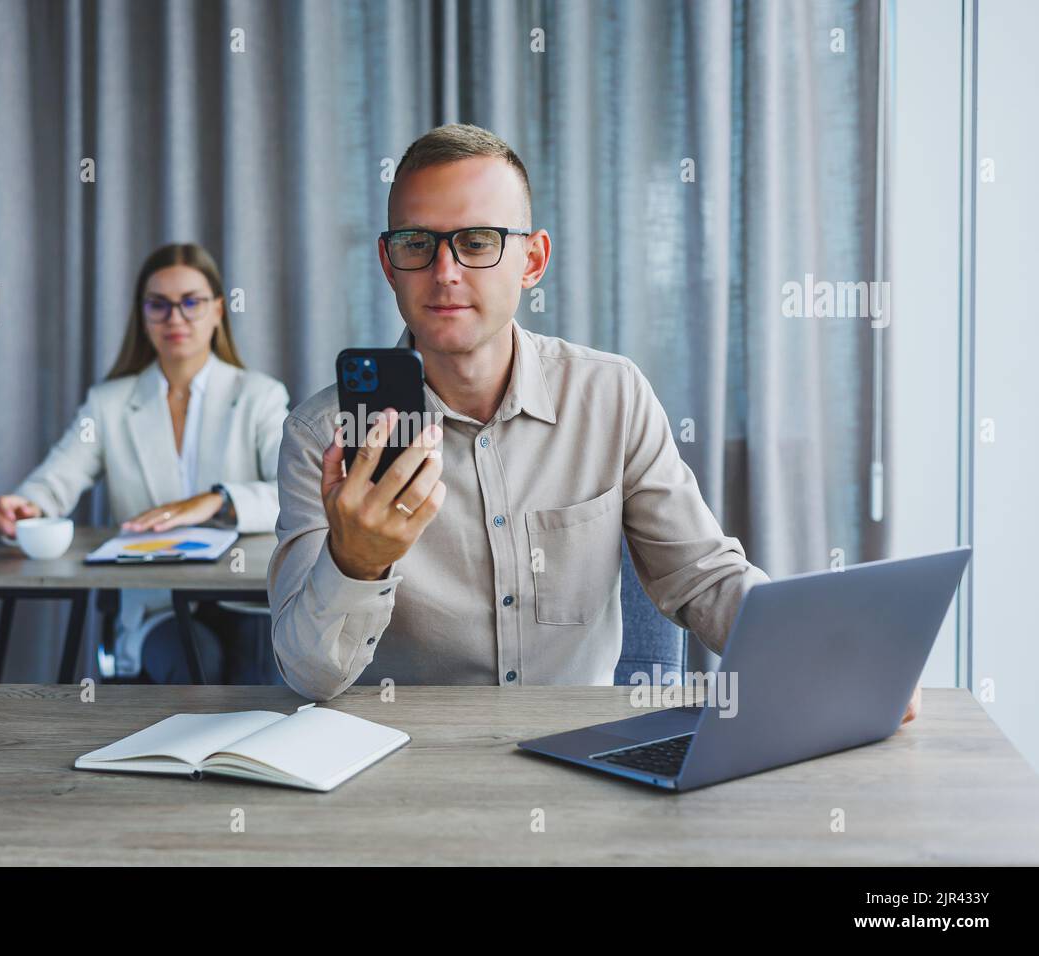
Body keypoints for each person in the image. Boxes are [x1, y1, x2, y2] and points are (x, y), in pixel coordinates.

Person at [267, 124, 923, 725]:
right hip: (403, 771)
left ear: (532, 260)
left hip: (578, 760)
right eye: (417, 243)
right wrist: (355, 563)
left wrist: (834, 655)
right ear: (389, 263)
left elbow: (703, 578)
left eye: (476, 241)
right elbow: (309, 677)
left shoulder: (611, 396)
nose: (446, 271)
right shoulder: (320, 436)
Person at [0, 242, 288, 684]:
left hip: (246, 597)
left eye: (191, 302)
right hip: (156, 604)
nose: (175, 318)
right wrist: (28, 506)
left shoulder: (260, 396)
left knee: (262, 675)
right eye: (159, 305)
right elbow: (59, 477)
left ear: (218, 310)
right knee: (196, 663)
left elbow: (296, 493)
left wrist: (215, 501)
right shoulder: (109, 404)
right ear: (142, 313)